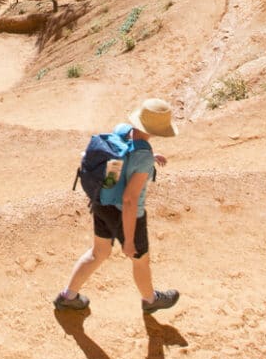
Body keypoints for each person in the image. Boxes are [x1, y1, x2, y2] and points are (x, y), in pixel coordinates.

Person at [53, 97, 180, 315]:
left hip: (102, 202)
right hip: (126, 214)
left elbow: (121, 156)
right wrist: (129, 240)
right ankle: (150, 300)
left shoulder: (122, 130)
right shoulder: (143, 156)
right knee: (140, 259)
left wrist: (150, 156)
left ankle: (68, 296)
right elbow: (130, 199)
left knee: (99, 252)